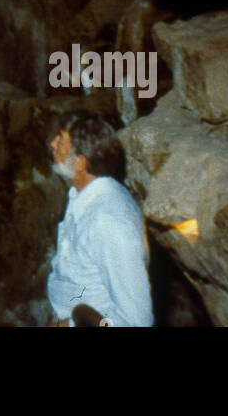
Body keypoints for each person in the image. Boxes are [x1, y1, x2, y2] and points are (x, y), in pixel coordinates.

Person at [45, 111, 153, 327]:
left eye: (61, 140)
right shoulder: (85, 196)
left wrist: (71, 325)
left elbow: (136, 321)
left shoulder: (108, 221)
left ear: (80, 163)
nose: (53, 144)